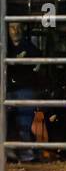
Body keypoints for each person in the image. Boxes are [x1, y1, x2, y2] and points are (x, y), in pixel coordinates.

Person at [5, 23, 41, 162]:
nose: (16, 30)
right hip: (6, 89)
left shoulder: (30, 48)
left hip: (24, 89)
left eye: (19, 26)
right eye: (12, 27)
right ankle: (8, 153)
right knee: (4, 122)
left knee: (25, 123)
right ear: (7, 29)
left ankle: (27, 154)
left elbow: (38, 66)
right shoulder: (4, 46)